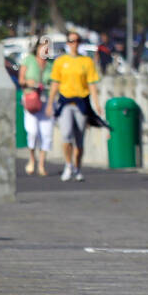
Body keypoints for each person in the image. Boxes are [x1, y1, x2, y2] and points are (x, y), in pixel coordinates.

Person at [47, 31, 102, 182]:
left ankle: (77, 168)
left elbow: (92, 84)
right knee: (66, 136)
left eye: (77, 41)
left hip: (81, 103)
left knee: (79, 140)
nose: (74, 44)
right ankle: (68, 165)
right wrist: (50, 104)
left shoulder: (86, 62)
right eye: (71, 41)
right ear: (67, 43)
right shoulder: (60, 61)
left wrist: (97, 104)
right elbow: (54, 84)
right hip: (65, 103)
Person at [19, 35, 55, 176]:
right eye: (42, 46)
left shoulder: (51, 65)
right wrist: (31, 84)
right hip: (32, 99)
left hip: (46, 100)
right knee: (32, 131)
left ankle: (41, 164)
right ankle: (32, 158)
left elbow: (55, 83)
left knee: (46, 133)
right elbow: (21, 80)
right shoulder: (28, 60)